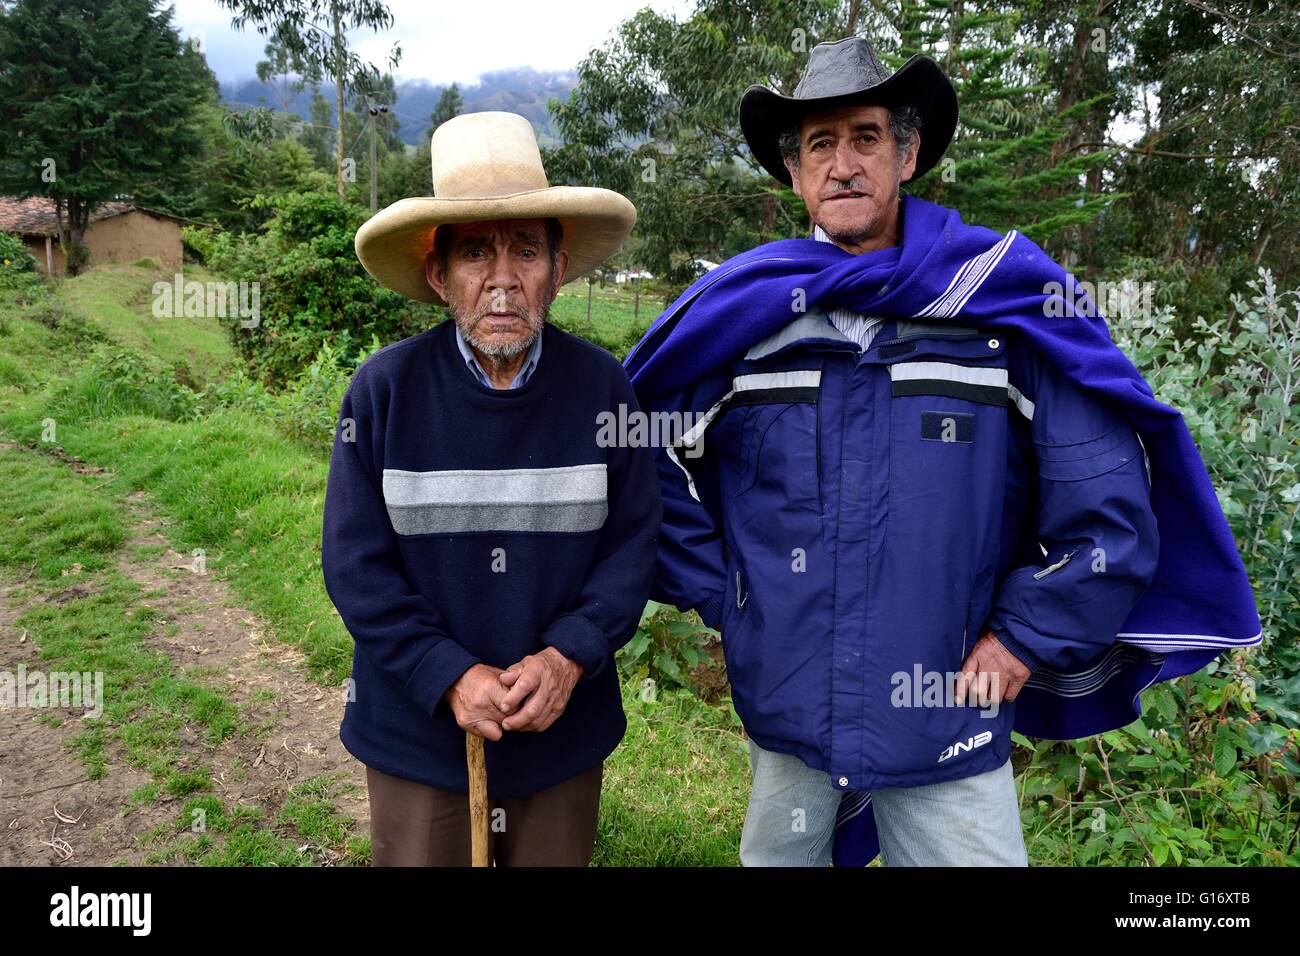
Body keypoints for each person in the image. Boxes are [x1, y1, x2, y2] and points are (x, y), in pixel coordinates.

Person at [624, 37, 1260, 867]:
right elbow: (639, 454)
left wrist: (1023, 640)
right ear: (793, 172)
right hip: (786, 705)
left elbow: (1105, 509)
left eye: (866, 137)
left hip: (948, 714)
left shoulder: (1002, 308)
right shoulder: (744, 319)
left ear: (908, 154)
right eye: (820, 143)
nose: (843, 163)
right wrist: (736, 603)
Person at [323, 111, 661, 866]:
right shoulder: (384, 393)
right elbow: (355, 567)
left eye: (526, 251)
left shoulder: (605, 390)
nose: (503, 280)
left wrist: (568, 657)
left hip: (560, 738)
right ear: (440, 275)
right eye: (476, 252)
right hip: (418, 738)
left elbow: (634, 546)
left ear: (558, 268)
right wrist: (448, 675)